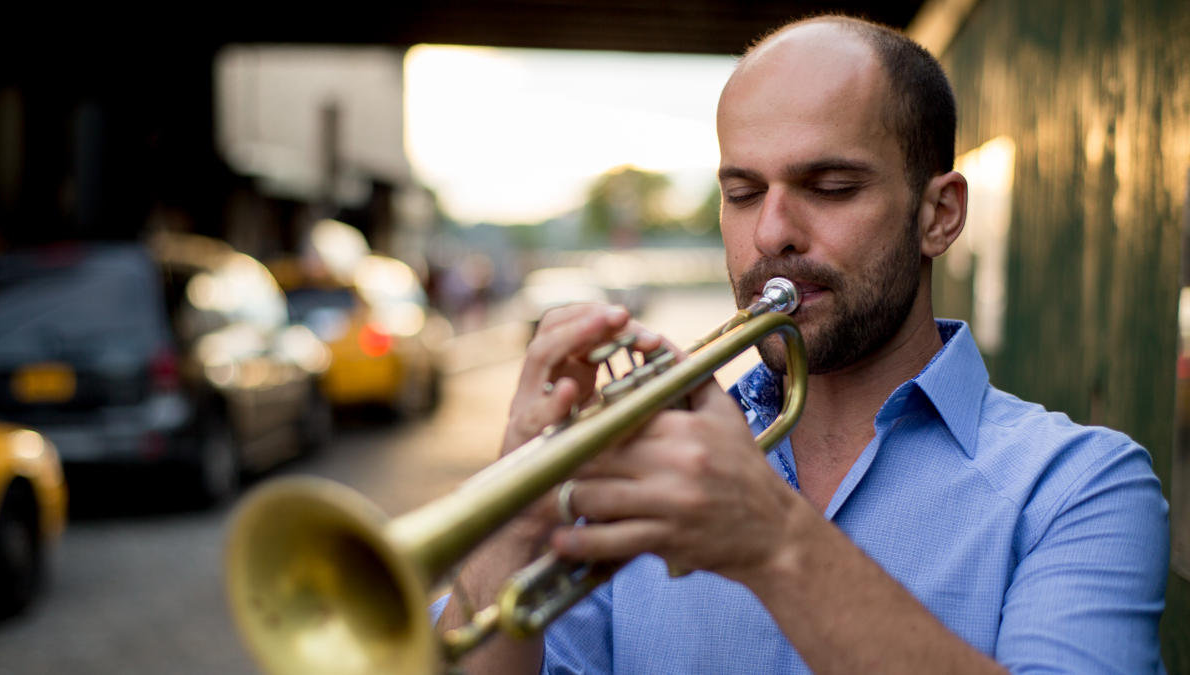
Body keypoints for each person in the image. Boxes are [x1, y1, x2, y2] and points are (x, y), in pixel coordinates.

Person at [436, 15, 1170, 673]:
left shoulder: (1078, 487)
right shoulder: (639, 476)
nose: (770, 233)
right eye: (743, 192)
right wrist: (515, 523)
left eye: (830, 185)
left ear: (940, 215)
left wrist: (773, 541)